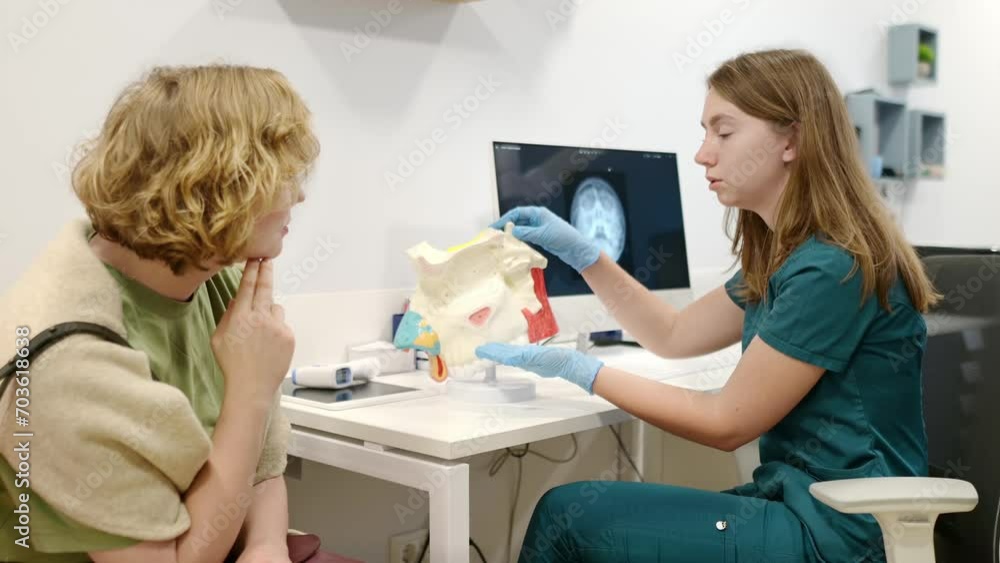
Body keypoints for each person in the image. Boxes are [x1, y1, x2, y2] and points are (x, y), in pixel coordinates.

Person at [477, 49, 938, 562]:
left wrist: (578, 369)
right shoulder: (788, 256)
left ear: (792, 140)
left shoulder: (831, 267)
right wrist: (587, 257)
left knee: (568, 517)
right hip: (798, 506)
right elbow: (673, 334)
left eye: (723, 132)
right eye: (705, 132)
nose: (703, 154)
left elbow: (726, 422)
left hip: (840, 532)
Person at [0, 64, 319, 563]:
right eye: (283, 176)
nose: (299, 195)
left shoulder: (217, 278)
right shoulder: (61, 358)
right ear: (217, 186)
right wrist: (250, 392)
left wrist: (265, 545)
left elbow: (262, 469)